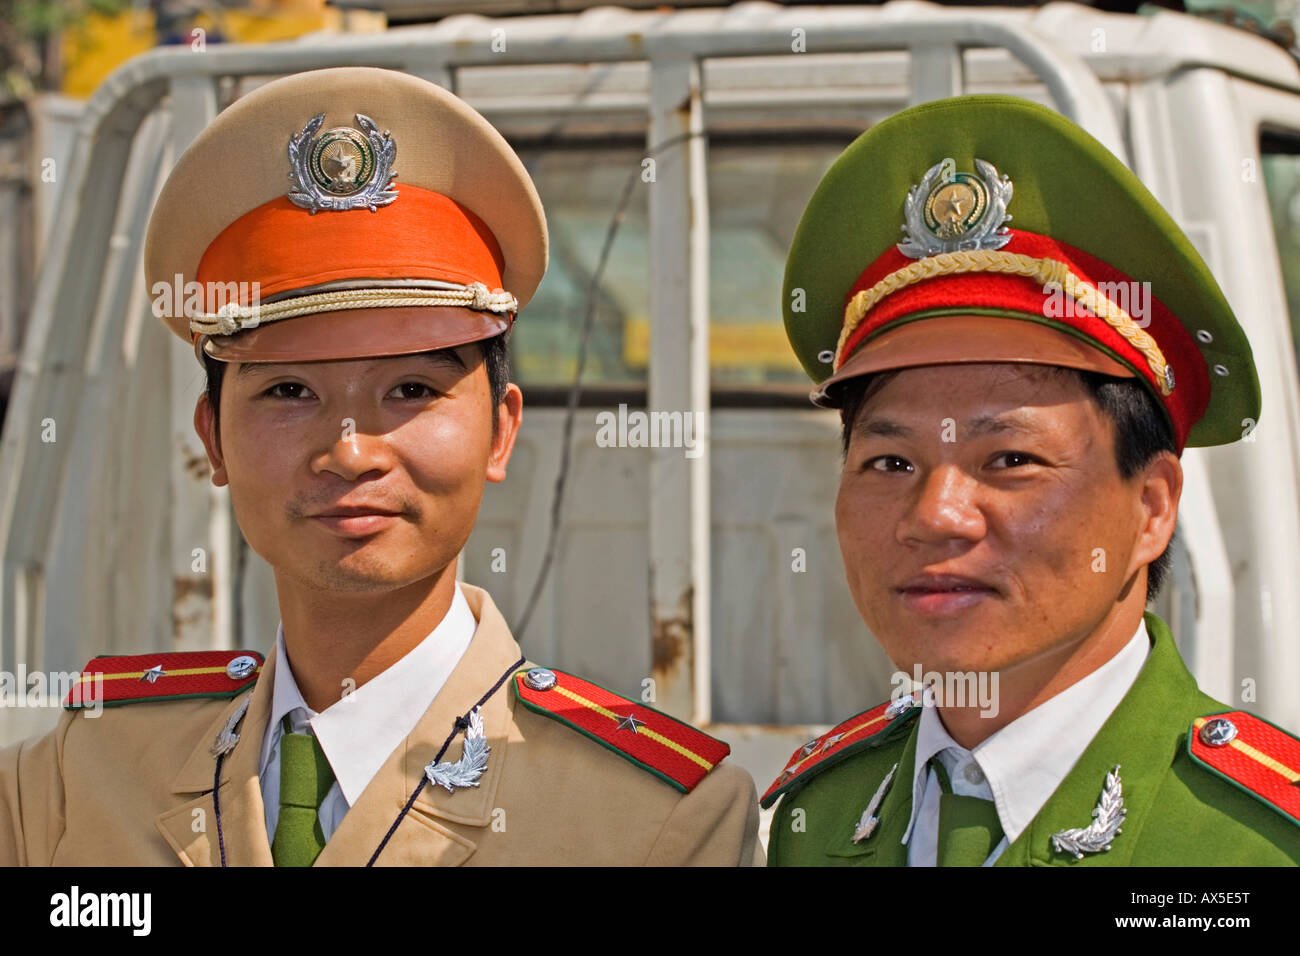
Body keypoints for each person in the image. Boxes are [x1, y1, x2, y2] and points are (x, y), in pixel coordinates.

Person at [0, 66, 760, 866]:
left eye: (411, 388)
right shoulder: (80, 776)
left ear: (501, 432)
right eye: (290, 390)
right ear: (213, 439)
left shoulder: (651, 824)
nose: (351, 450)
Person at [764, 94, 1299, 866]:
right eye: (891, 462)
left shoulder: (1255, 844)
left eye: (1009, 460)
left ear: (1151, 508)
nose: (937, 515)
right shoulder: (822, 813)